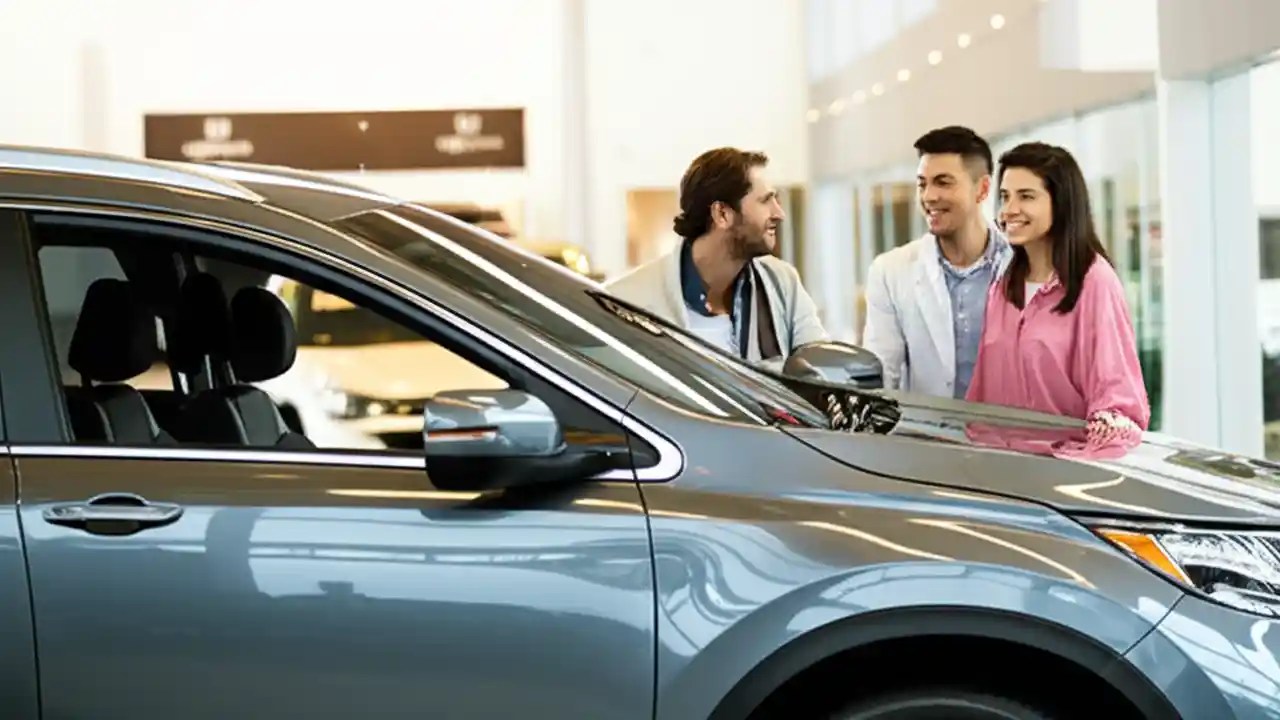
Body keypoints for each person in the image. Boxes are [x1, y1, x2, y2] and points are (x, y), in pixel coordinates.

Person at [966, 141, 1149, 455]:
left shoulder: (1094, 283)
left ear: (1061, 203)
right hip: (998, 474)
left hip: (1061, 477)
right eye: (1005, 196)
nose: (1009, 209)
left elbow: (1119, 411)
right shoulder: (1003, 286)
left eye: (1026, 196)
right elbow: (982, 402)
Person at [606, 147, 828, 369]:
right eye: (766, 200)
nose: (779, 213)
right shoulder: (627, 302)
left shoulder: (782, 283)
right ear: (722, 214)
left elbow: (820, 371)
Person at [861, 126, 1011, 399]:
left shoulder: (1022, 263)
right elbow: (881, 377)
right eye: (922, 184)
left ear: (983, 189)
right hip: (926, 438)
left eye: (943, 182)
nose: (929, 196)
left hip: (1007, 437)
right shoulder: (890, 272)